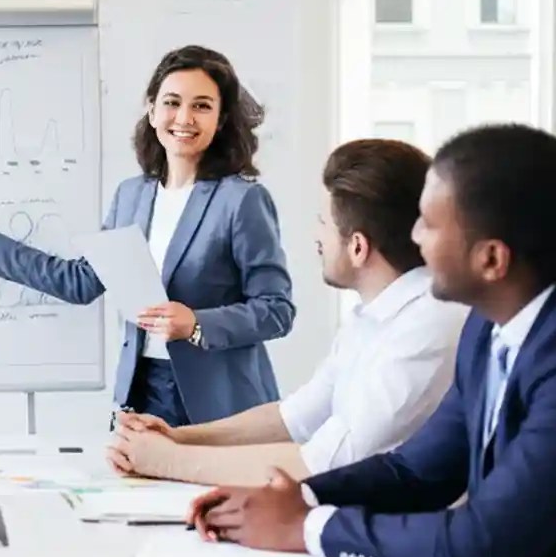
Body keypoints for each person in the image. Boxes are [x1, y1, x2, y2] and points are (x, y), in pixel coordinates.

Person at [186, 124, 556, 557]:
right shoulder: (492, 322)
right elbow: (419, 471)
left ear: (491, 259)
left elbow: (483, 542)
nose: (413, 238)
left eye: (428, 224)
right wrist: (293, 498)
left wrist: (304, 528)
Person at [0, 45, 294, 427]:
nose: (184, 117)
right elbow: (82, 282)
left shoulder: (242, 200)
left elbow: (276, 310)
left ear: (220, 120)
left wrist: (196, 323)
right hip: (143, 391)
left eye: (202, 106)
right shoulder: (131, 195)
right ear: (152, 111)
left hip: (220, 402)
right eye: (172, 102)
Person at [109, 139, 466, 485]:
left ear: (358, 247)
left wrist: (164, 459)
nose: (316, 236)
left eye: (323, 222)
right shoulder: (371, 316)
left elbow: (325, 463)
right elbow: (294, 418)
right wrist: (179, 438)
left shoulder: (428, 324)